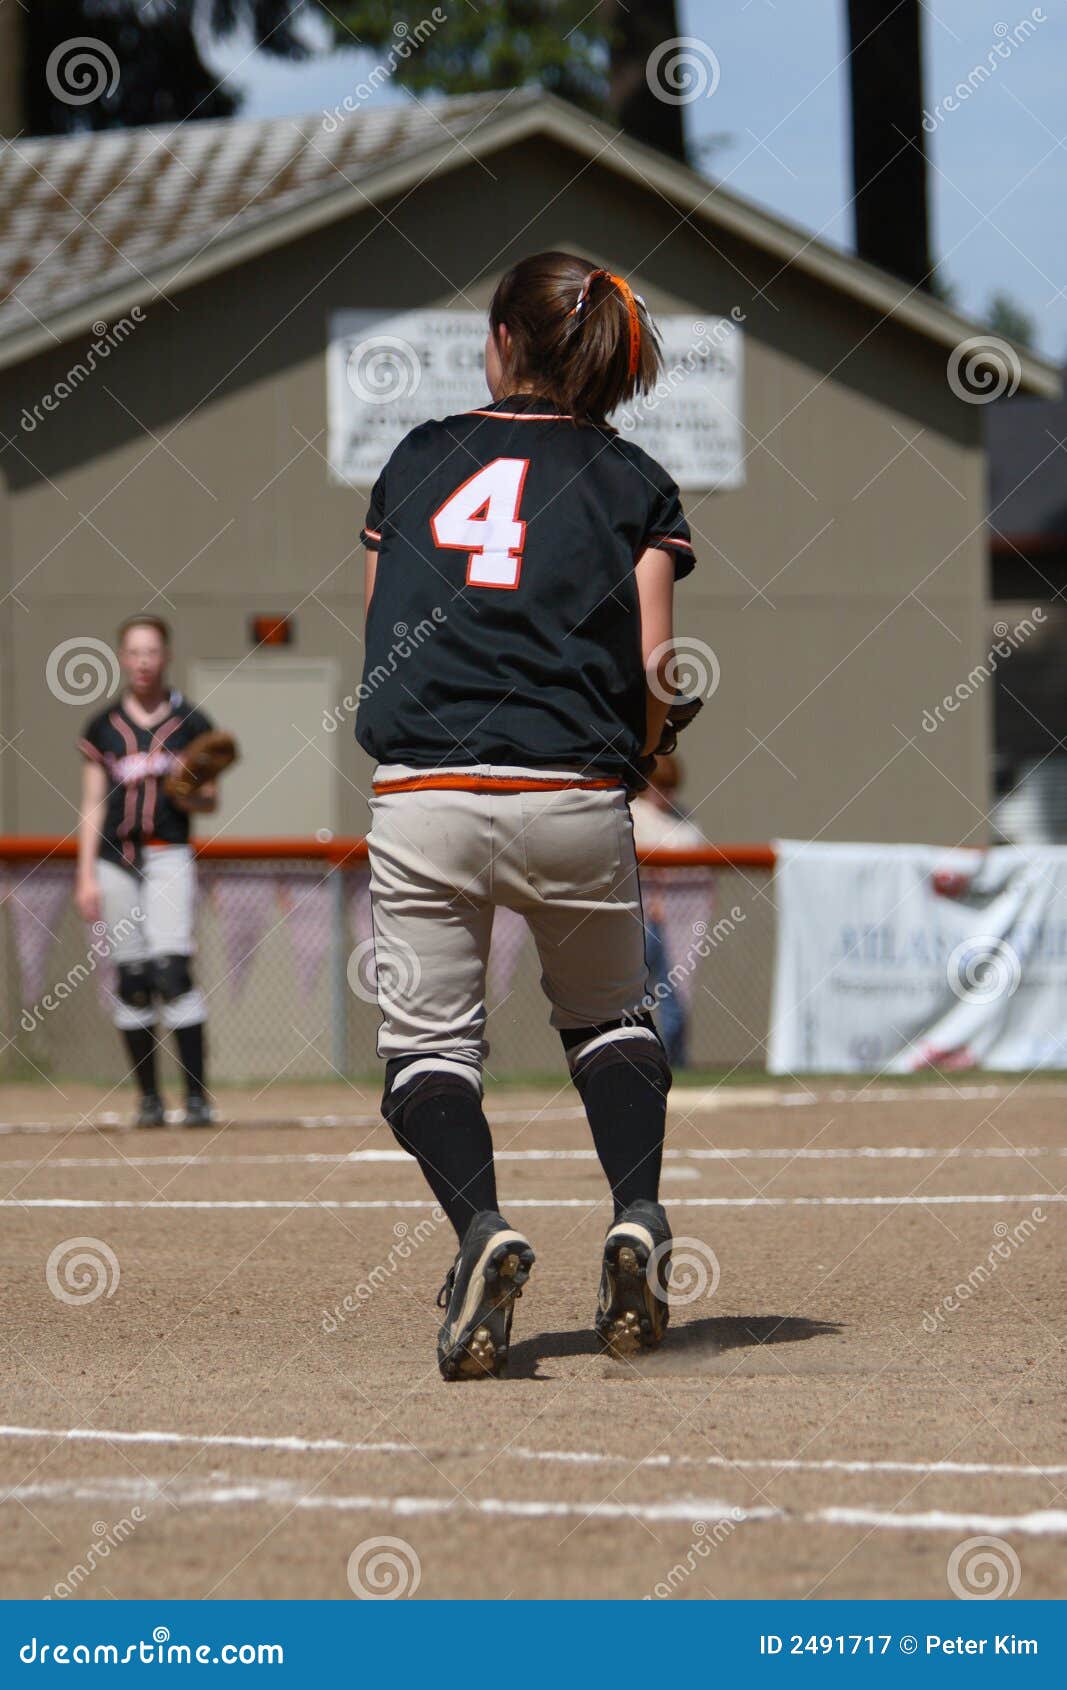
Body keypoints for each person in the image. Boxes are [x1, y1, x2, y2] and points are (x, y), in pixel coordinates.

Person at [356, 252, 698, 1381]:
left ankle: (480, 1231)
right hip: (569, 789)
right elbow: (653, 662)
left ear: (501, 339)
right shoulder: (630, 476)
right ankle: (637, 1213)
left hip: (424, 790)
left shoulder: (414, 459)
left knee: (428, 1047)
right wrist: (654, 739)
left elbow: (378, 626)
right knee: (607, 1019)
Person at [75, 615, 220, 1127]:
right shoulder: (104, 727)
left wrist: (191, 787)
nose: (143, 661)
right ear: (121, 657)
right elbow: (93, 803)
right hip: (115, 860)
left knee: (172, 971)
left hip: (168, 854)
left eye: (152, 651)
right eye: (134, 652)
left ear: (166, 656)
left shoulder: (191, 724)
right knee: (133, 977)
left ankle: (198, 1098)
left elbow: (209, 799)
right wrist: (85, 874)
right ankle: (150, 1100)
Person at [630, 756, 711, 1068]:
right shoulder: (635, 812)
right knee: (633, 993)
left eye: (671, 787)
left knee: (675, 997)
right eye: (661, 786)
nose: (666, 794)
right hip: (639, 920)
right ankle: (635, 1059)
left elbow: (698, 863)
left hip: (678, 923)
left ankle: (675, 1062)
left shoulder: (683, 819)